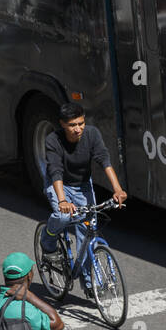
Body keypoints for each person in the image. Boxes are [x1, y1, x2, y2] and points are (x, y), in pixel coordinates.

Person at [38, 102, 127, 280]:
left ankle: (88, 281)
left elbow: (104, 160)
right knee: (64, 217)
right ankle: (47, 242)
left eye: (81, 124)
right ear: (62, 124)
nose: (78, 129)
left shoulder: (92, 134)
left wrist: (117, 189)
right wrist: (62, 201)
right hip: (59, 184)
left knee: (87, 231)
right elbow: (55, 171)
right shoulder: (53, 140)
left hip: (83, 184)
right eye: (72, 125)